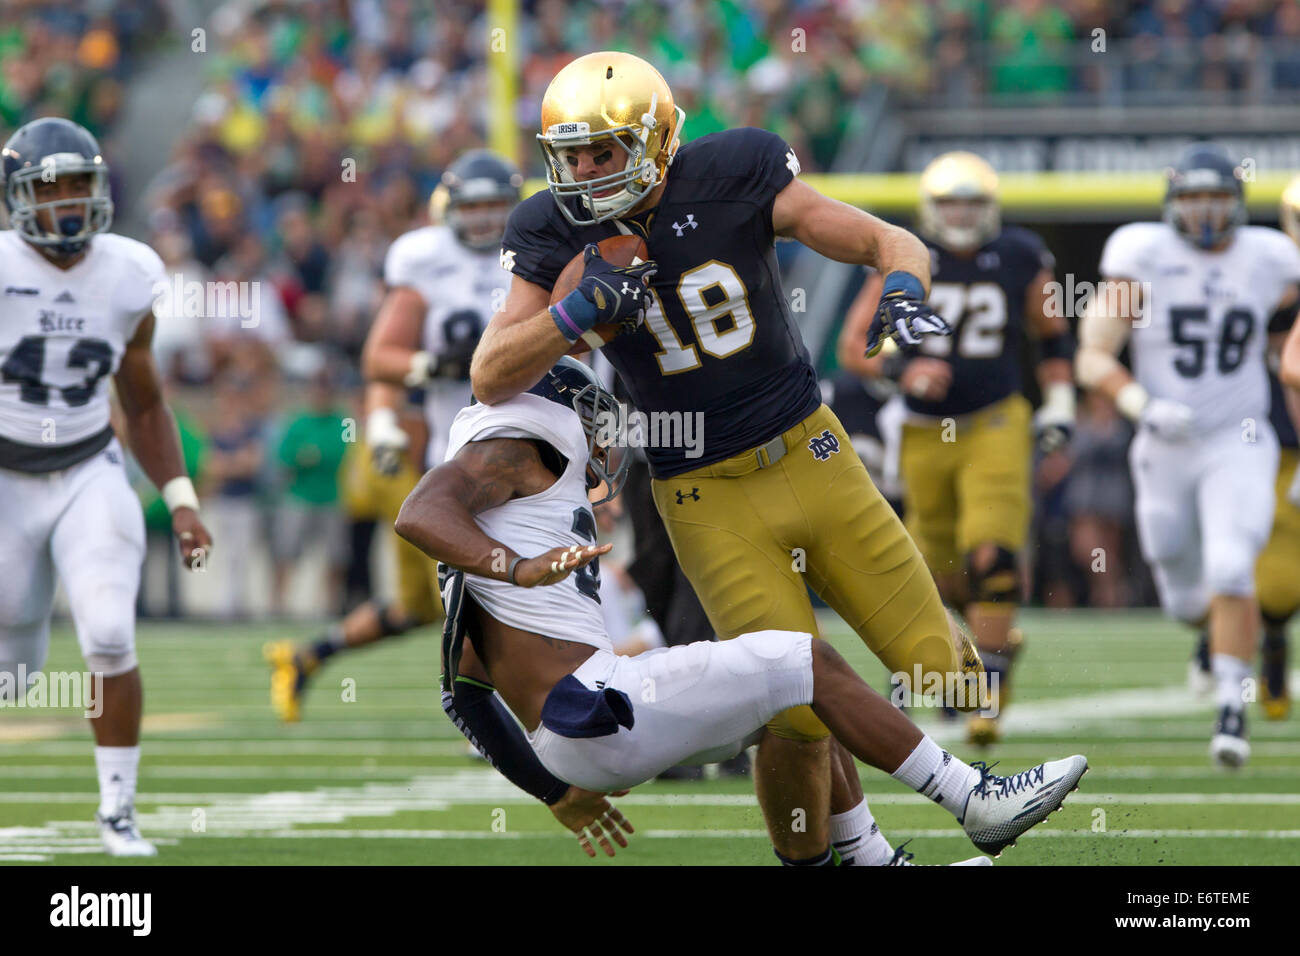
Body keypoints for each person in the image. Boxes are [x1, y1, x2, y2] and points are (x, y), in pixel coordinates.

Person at [471, 49, 983, 867]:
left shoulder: (735, 170)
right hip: (699, 486)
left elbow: (888, 240)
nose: (586, 172)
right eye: (571, 155)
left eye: (603, 152)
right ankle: (834, 858)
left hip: (809, 449)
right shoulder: (552, 230)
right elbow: (491, 372)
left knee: (943, 672)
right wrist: (574, 312)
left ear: (659, 140)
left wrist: (905, 291)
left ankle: (877, 837)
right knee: (791, 704)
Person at [395, 357, 1089, 863]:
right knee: (806, 660)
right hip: (602, 708)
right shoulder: (515, 448)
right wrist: (516, 568)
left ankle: (871, 862)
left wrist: (550, 788)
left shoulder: (500, 520)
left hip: (582, 729)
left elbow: (464, 693)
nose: (602, 443)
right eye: (591, 420)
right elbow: (418, 510)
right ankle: (974, 799)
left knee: (787, 702)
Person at [0, 118, 213, 855]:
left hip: (90, 469)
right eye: (49, 188)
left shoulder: (128, 271)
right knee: (15, 674)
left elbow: (146, 400)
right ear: (17, 197)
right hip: (5, 476)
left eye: (79, 185)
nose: (67, 202)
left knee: (111, 634)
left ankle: (117, 811)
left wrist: (181, 499)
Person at [265, 150, 519, 721]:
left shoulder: (536, 250)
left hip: (524, 445)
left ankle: (311, 654)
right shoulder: (421, 259)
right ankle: (491, 715)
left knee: (429, 604)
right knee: (464, 596)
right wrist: (418, 385)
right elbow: (382, 359)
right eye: (471, 206)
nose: (482, 219)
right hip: (443, 456)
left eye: (494, 206)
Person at [1076, 144, 1300, 767]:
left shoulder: (1270, 257)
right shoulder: (1140, 253)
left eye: (1217, 198)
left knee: (1232, 566)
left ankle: (1232, 705)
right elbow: (1092, 353)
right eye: (1193, 198)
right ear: (1172, 204)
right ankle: (1211, 642)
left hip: (1241, 437)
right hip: (1165, 438)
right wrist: (1140, 403)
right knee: (1178, 587)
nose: (1204, 212)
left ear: (1240, 204)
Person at [841, 152, 1074, 745]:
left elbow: (1052, 335)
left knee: (992, 549)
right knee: (937, 573)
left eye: (972, 202)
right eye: (951, 203)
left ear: (990, 206)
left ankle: (987, 692)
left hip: (995, 420)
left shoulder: (1020, 255)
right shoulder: (908, 253)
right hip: (922, 430)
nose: (962, 215)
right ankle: (983, 652)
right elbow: (853, 346)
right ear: (931, 208)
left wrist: (1061, 405)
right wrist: (905, 371)